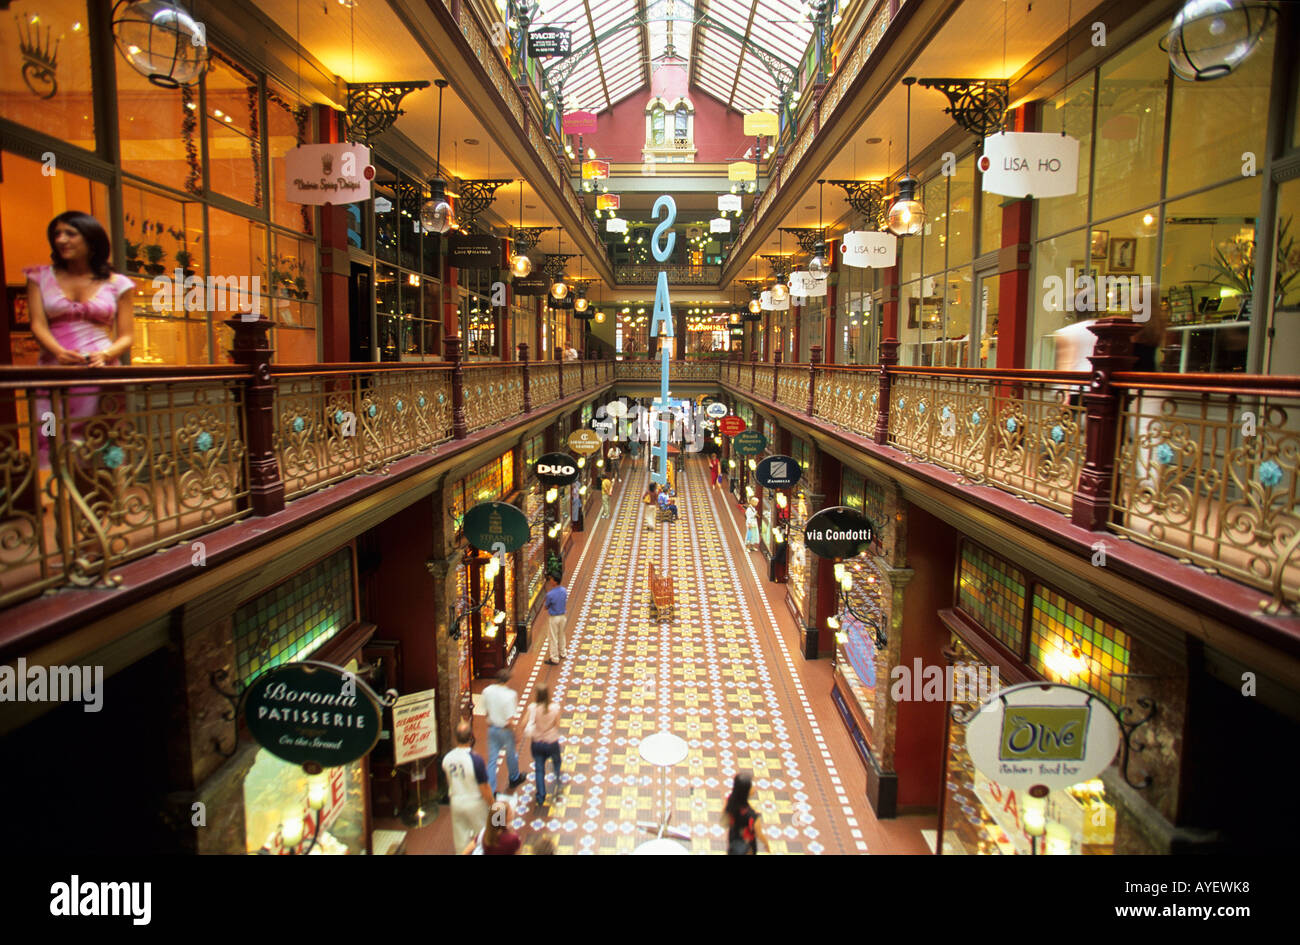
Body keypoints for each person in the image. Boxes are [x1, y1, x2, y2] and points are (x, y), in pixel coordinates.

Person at [25, 211, 136, 466]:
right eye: (57, 234)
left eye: (70, 234)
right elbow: (37, 323)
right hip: (53, 372)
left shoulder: (118, 283)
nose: (61, 240)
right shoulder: (39, 277)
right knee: (51, 436)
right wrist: (58, 352)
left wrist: (107, 355)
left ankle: (100, 503)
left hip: (99, 370)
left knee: (97, 442)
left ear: (90, 239)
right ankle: (61, 499)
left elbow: (127, 335)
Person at [442, 721, 493, 854]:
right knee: (482, 837)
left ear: (455, 737)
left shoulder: (447, 759)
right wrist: (493, 805)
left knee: (460, 841)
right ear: (471, 736)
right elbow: (485, 788)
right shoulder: (476, 760)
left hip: (456, 802)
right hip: (474, 802)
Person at [481, 669, 527, 793]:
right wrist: (516, 732)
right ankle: (514, 777)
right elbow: (510, 719)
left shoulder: (487, 691)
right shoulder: (510, 695)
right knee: (511, 754)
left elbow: (486, 711)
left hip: (492, 728)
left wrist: (489, 721)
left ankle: (491, 789)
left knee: (492, 759)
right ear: (507, 681)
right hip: (505, 730)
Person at [524, 684, 563, 805]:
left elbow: (523, 723)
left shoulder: (533, 708)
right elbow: (557, 724)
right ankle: (557, 783)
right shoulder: (555, 708)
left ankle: (541, 795)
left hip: (537, 742)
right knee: (557, 762)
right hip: (551, 741)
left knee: (539, 769)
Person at [722, 771, 770, 855]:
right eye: (751, 786)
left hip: (733, 838)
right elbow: (759, 834)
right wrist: (766, 843)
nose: (754, 788)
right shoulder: (752, 816)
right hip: (747, 846)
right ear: (745, 792)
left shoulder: (730, 800)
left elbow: (725, 816)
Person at [543, 572, 567, 665]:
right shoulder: (564, 590)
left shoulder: (550, 594)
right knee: (562, 634)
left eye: (552, 579)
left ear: (555, 582)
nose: (550, 581)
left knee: (553, 637)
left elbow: (546, 607)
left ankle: (554, 658)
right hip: (563, 616)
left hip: (554, 618)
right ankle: (563, 652)